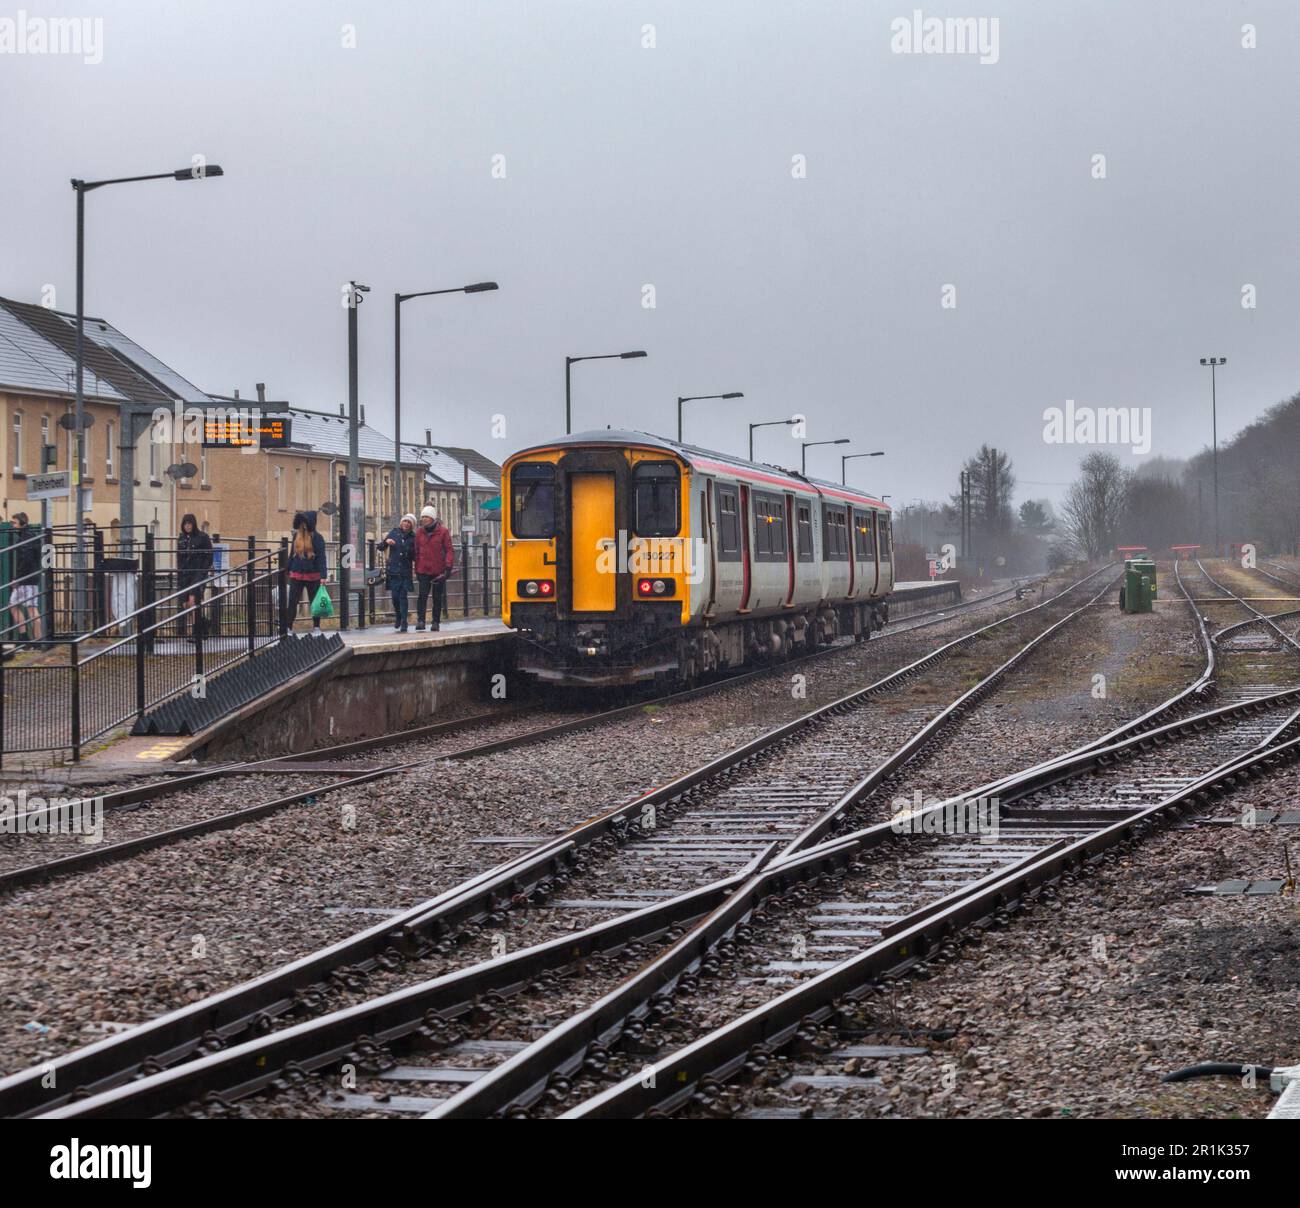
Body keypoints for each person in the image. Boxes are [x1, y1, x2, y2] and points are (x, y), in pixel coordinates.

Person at [283, 510, 328, 633]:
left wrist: (323, 576)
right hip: (297, 575)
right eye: (301, 522)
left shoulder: (318, 538)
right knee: (292, 601)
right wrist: (288, 568)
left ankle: (317, 626)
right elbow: (292, 554)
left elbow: (321, 557)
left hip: (313, 576)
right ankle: (288, 627)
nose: (303, 525)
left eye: (305, 522)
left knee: (315, 602)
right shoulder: (296, 536)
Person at [413, 505, 454, 631]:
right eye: (423, 517)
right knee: (422, 595)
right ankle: (421, 620)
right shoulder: (419, 532)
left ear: (432, 518)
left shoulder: (443, 532)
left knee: (437, 596)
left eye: (427, 517)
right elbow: (415, 550)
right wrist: (416, 566)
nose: (424, 519)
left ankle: (435, 621)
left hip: (438, 570)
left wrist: (448, 566)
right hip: (423, 569)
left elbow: (449, 550)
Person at [176, 514, 213, 643]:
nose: (187, 526)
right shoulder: (181, 539)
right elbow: (179, 559)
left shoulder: (203, 537)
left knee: (193, 601)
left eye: (189, 523)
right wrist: (180, 575)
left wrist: (203, 572)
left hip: (198, 574)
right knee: (186, 604)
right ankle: (204, 624)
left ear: (194, 524)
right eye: (185, 524)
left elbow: (209, 557)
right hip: (185, 575)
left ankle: (195, 632)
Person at [7, 512, 42, 644]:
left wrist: (18, 579)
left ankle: (39, 642)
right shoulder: (25, 537)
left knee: (32, 610)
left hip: (28, 580)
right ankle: (24, 637)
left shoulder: (27, 537)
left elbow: (27, 560)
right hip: (25, 579)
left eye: (15, 523)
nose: (13, 525)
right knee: (13, 605)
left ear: (23, 523)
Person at [384, 513, 416, 632]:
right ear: (401, 522)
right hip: (393, 571)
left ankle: (404, 622)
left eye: (409, 522)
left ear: (412, 525)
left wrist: (408, 551)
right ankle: (398, 615)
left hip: (405, 571)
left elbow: (415, 555)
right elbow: (380, 546)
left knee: (403, 597)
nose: (406, 524)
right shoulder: (394, 533)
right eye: (405, 521)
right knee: (395, 597)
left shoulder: (413, 537)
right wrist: (387, 542)